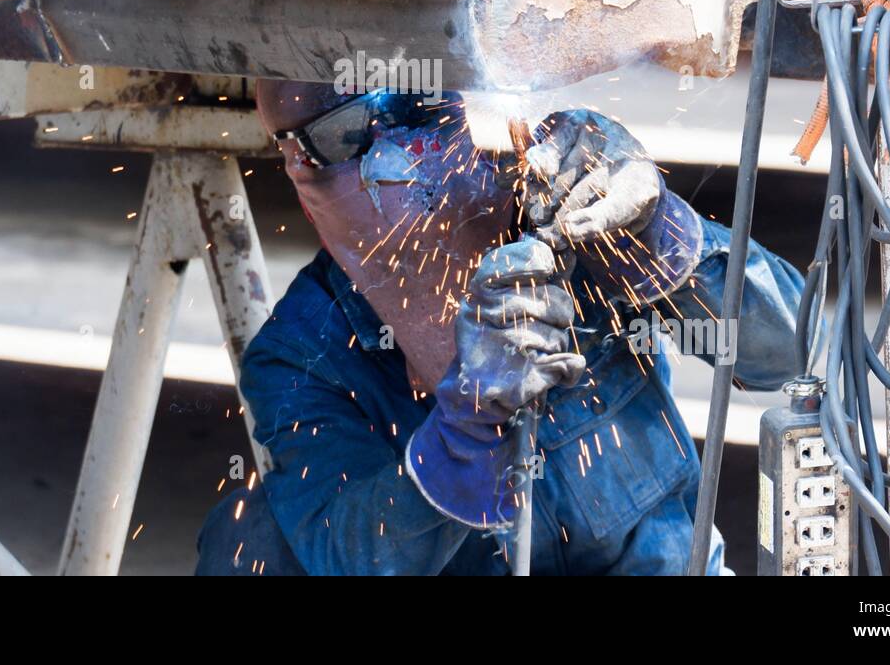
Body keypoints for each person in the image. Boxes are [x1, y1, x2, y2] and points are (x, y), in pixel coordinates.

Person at [196, 80, 803, 575]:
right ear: (302, 179)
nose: (396, 156)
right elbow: (353, 555)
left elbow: (786, 353)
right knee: (247, 540)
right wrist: (464, 426)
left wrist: (657, 229)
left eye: (412, 107)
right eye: (345, 135)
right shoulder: (301, 354)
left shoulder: (568, 214)